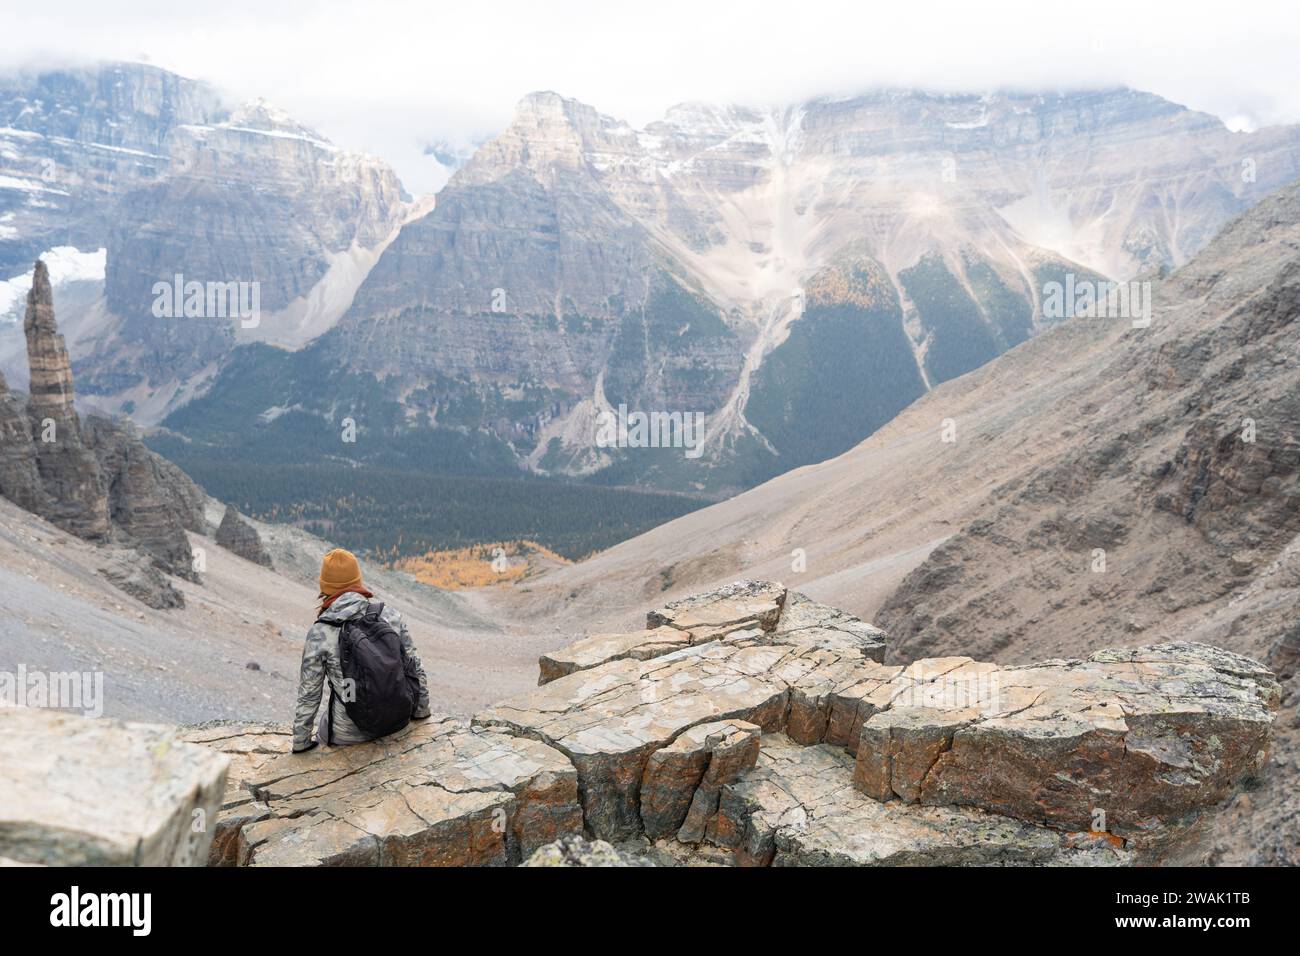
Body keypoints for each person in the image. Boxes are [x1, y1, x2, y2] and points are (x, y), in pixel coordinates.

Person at [292, 548, 431, 753]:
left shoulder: (321, 631)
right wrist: (421, 712)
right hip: (398, 721)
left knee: (326, 721)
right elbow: (414, 667)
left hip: (349, 735)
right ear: (358, 580)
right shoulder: (389, 615)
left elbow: (309, 693)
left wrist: (301, 743)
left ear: (325, 586)